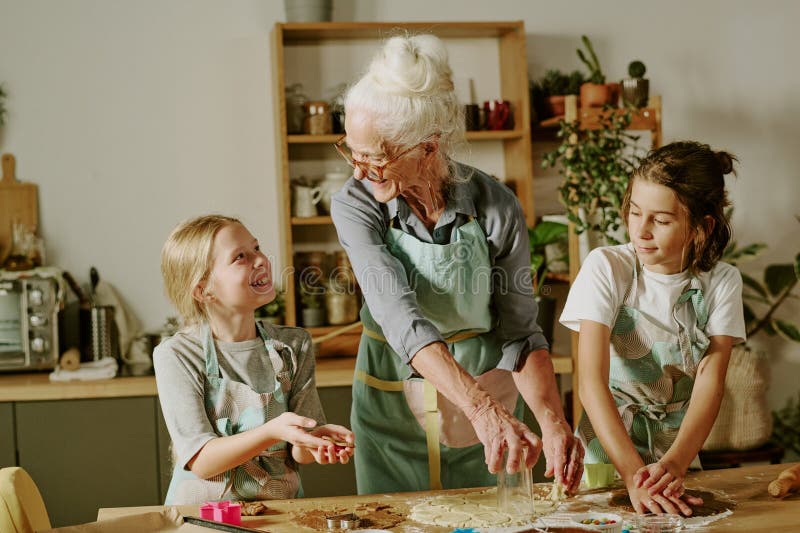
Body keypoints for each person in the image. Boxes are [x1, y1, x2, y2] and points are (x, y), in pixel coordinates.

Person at [329, 34, 583, 495]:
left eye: (375, 157)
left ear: (428, 146)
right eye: (351, 151)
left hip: (491, 406)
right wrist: (480, 408)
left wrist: (552, 420)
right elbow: (399, 316)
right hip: (395, 413)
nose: (359, 171)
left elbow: (522, 331)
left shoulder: (496, 206)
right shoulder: (355, 203)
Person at [560, 141, 745, 515]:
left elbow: (711, 379)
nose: (640, 231)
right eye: (634, 213)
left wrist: (674, 465)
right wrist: (632, 475)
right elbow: (590, 382)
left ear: (701, 226)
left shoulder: (722, 282)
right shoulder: (607, 268)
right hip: (607, 451)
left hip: (676, 452)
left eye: (660, 220)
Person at [155, 215, 354, 505]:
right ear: (204, 290)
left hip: (278, 514)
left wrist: (317, 443)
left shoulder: (292, 345)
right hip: (202, 519)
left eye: (256, 248)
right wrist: (272, 430)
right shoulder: (178, 355)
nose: (260, 259)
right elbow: (201, 460)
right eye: (240, 257)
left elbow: (300, 450)